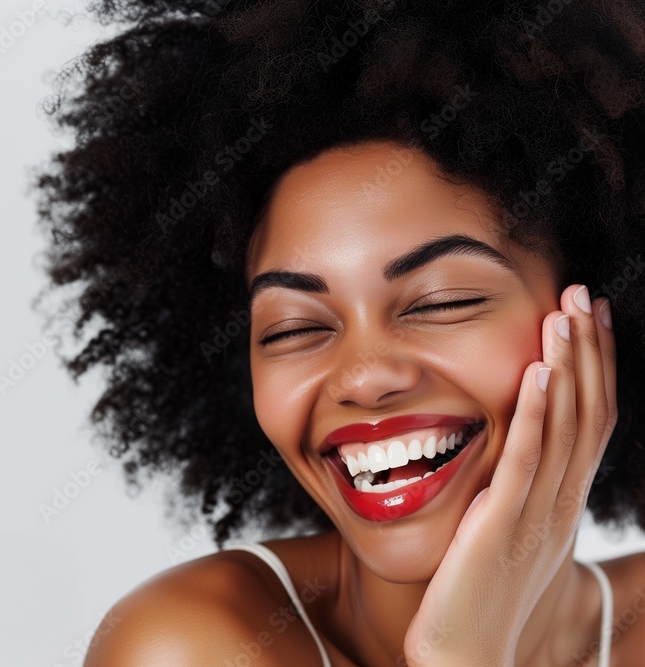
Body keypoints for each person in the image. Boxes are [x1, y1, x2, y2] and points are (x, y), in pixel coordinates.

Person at [34, 0, 645, 663]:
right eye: (293, 329)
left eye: (443, 302)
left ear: (603, 314)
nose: (363, 376)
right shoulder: (190, 644)